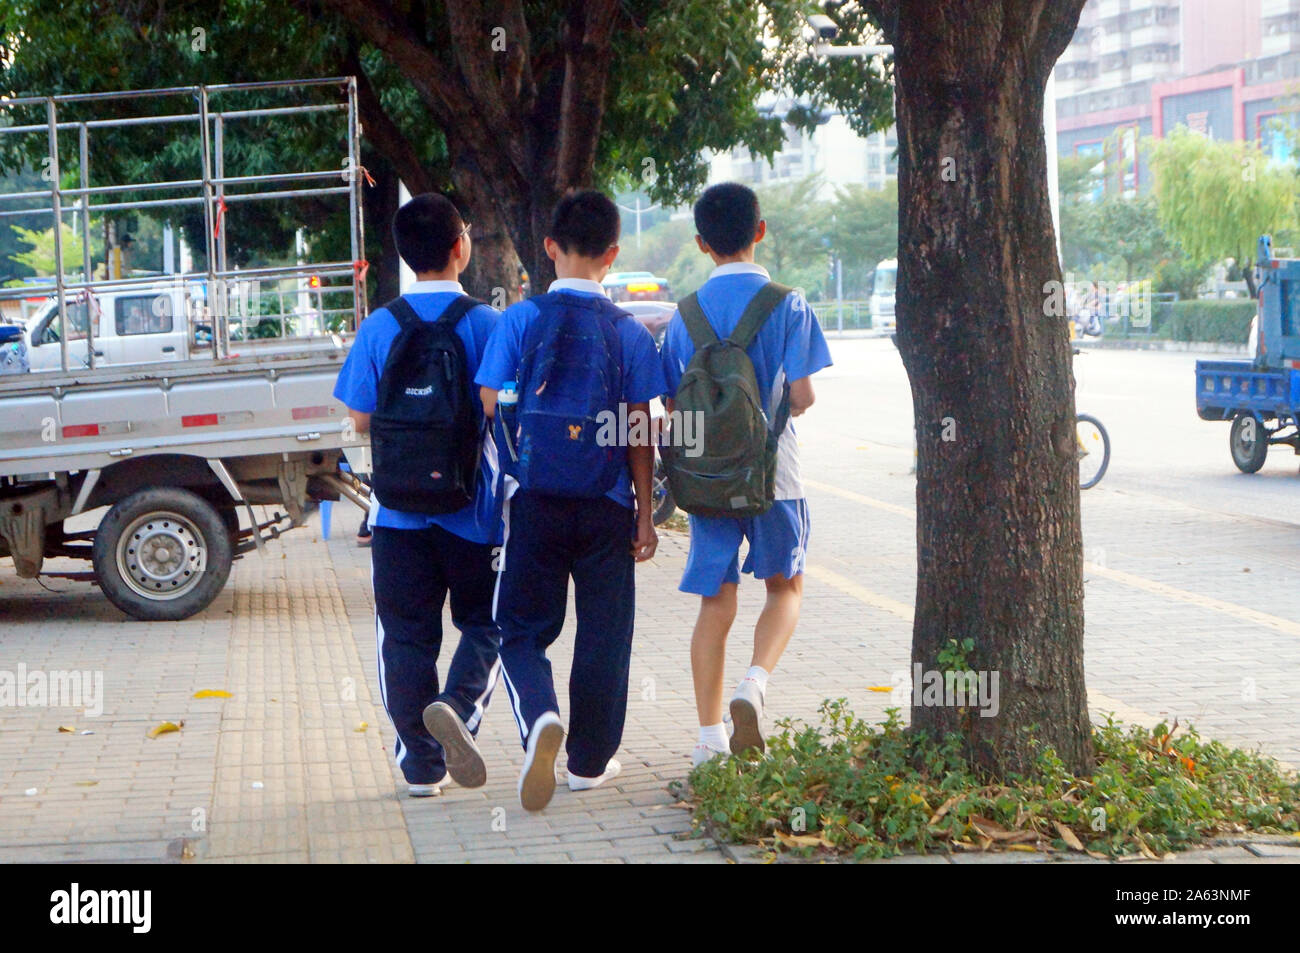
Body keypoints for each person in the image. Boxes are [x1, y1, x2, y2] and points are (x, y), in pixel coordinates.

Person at [475, 189, 665, 812]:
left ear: (550, 248)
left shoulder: (519, 320)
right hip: (607, 503)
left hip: (534, 501)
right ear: (613, 254)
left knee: (521, 630)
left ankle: (540, 716)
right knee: (605, 632)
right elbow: (639, 427)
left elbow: (489, 401)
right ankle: (588, 763)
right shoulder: (629, 332)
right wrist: (644, 514)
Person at [333, 193, 502, 797]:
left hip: (398, 514)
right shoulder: (487, 324)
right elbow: (499, 410)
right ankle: (456, 705)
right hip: (473, 513)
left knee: (404, 637)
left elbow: (358, 417)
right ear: (461, 247)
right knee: (488, 623)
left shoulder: (381, 325)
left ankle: (421, 767)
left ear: (405, 255)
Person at [660, 182, 832, 767]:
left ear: (701, 243)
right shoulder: (789, 304)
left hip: (708, 482)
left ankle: (708, 739)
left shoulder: (684, 315)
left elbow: (675, 406)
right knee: (785, 587)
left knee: (715, 603)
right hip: (775, 476)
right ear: (760, 230)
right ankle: (753, 684)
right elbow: (802, 396)